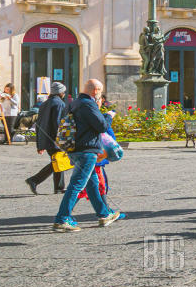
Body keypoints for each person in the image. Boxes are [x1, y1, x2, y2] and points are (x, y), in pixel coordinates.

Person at [52, 80, 124, 231]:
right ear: (96, 90)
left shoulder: (73, 103)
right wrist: (109, 116)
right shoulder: (88, 104)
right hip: (87, 150)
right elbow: (102, 126)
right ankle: (62, 219)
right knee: (77, 184)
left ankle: (103, 214)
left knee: (92, 183)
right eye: (100, 92)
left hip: (74, 149)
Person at [26, 82, 70, 195]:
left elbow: (39, 123)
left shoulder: (45, 103)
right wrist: (62, 139)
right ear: (60, 93)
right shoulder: (59, 103)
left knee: (57, 161)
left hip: (45, 137)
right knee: (59, 161)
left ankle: (59, 187)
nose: (64, 94)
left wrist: (39, 144)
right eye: (63, 92)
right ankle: (34, 180)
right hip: (54, 138)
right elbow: (58, 123)